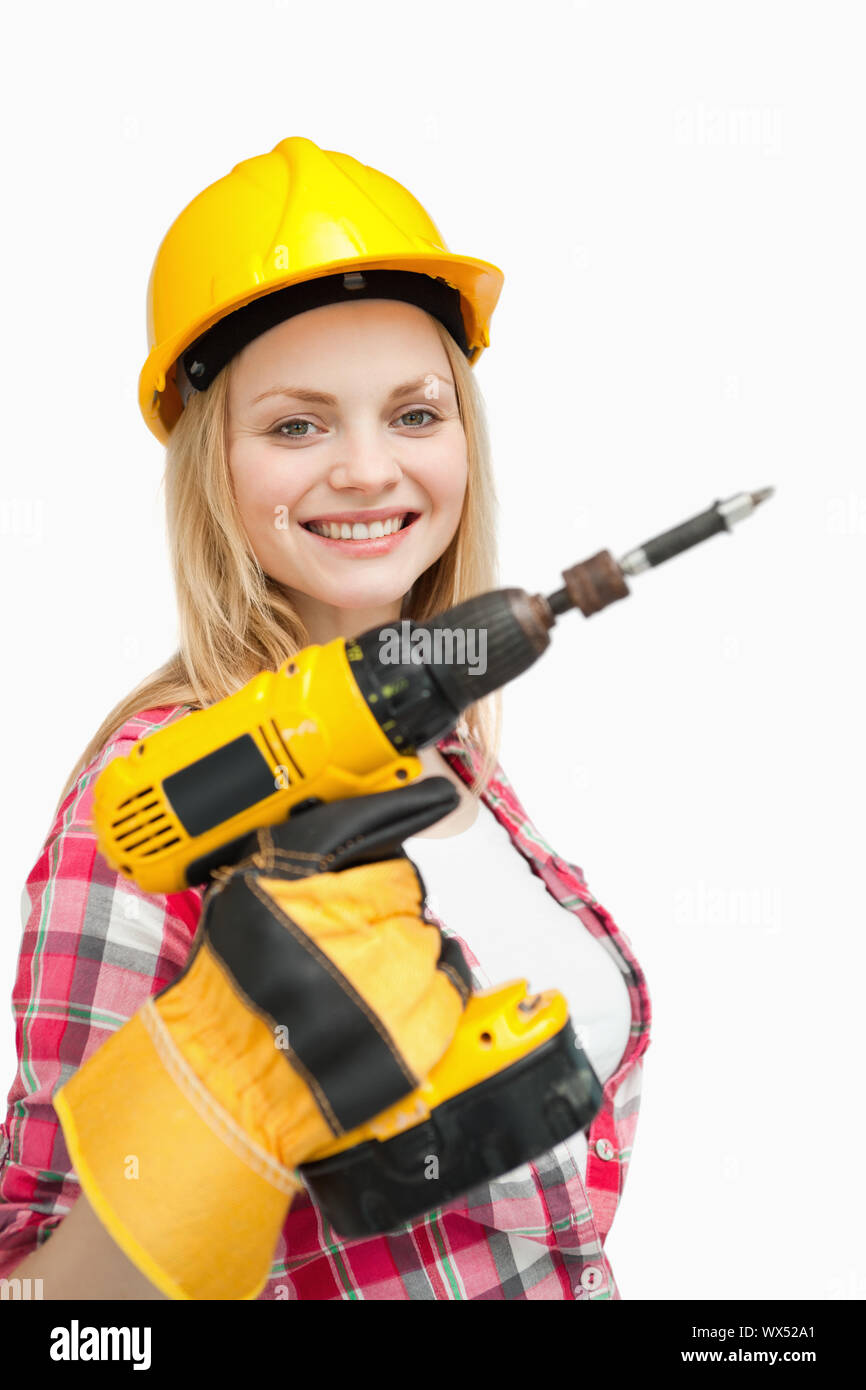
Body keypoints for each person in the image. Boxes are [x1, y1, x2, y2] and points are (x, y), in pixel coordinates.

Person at [0, 136, 652, 1300]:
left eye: (413, 412)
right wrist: (224, 1098)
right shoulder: (166, 800)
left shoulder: (454, 762)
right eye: (298, 425)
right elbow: (45, 1311)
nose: (366, 468)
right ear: (213, 462)